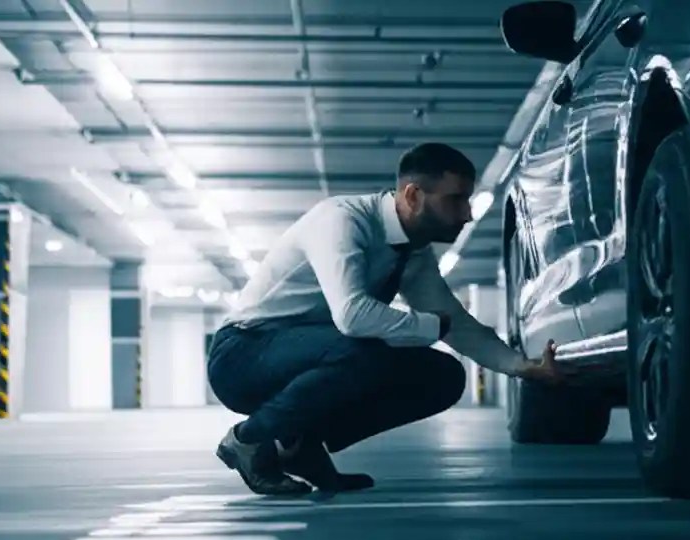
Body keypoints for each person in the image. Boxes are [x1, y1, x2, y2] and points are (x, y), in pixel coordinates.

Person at [206, 143, 570, 495]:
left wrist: (522, 367)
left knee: (443, 376)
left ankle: (299, 443)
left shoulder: (412, 253)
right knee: (361, 351)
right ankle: (248, 440)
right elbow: (352, 316)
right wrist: (429, 327)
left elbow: (454, 322)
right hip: (242, 356)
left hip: (312, 356)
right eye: (455, 199)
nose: (467, 214)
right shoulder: (342, 220)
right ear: (413, 195)